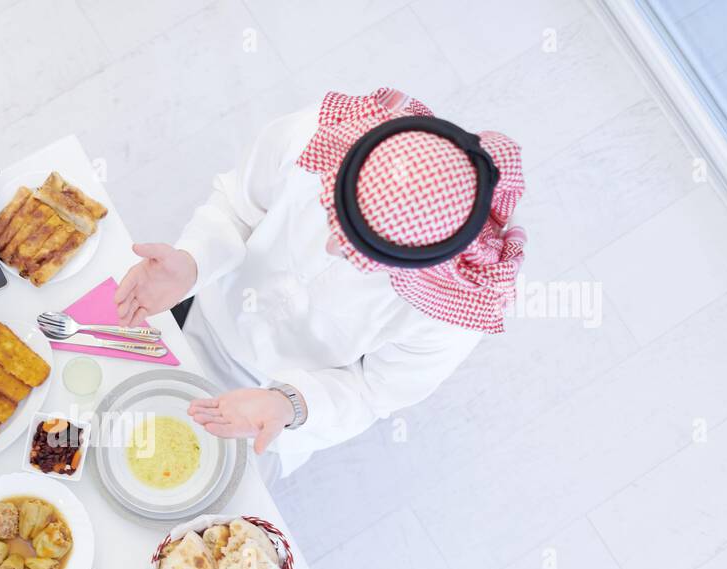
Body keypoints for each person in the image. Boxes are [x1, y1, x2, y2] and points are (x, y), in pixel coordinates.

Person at [114, 88, 526, 480]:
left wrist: (288, 404)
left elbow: (372, 392)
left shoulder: (458, 305)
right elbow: (238, 207)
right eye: (331, 213)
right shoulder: (319, 135)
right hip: (201, 313)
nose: (329, 246)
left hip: (276, 408)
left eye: (354, 252)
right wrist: (192, 262)